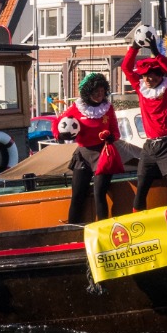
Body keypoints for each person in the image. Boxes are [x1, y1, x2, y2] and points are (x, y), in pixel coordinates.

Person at [121, 43, 167, 206]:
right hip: (149, 147)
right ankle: (138, 223)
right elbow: (126, 68)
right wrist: (134, 47)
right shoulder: (141, 88)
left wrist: (157, 54)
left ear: (160, 76)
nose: (147, 80)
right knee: (141, 189)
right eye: (144, 76)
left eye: (151, 76)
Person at [60, 72, 121, 221]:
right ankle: (73, 229)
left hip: (102, 154)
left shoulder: (108, 108)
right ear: (88, 92)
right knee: (78, 194)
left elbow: (116, 132)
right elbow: (59, 124)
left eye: (102, 91)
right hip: (82, 154)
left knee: (99, 193)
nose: (100, 94)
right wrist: (60, 134)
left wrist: (111, 136)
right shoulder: (76, 108)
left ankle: (103, 228)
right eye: (96, 92)